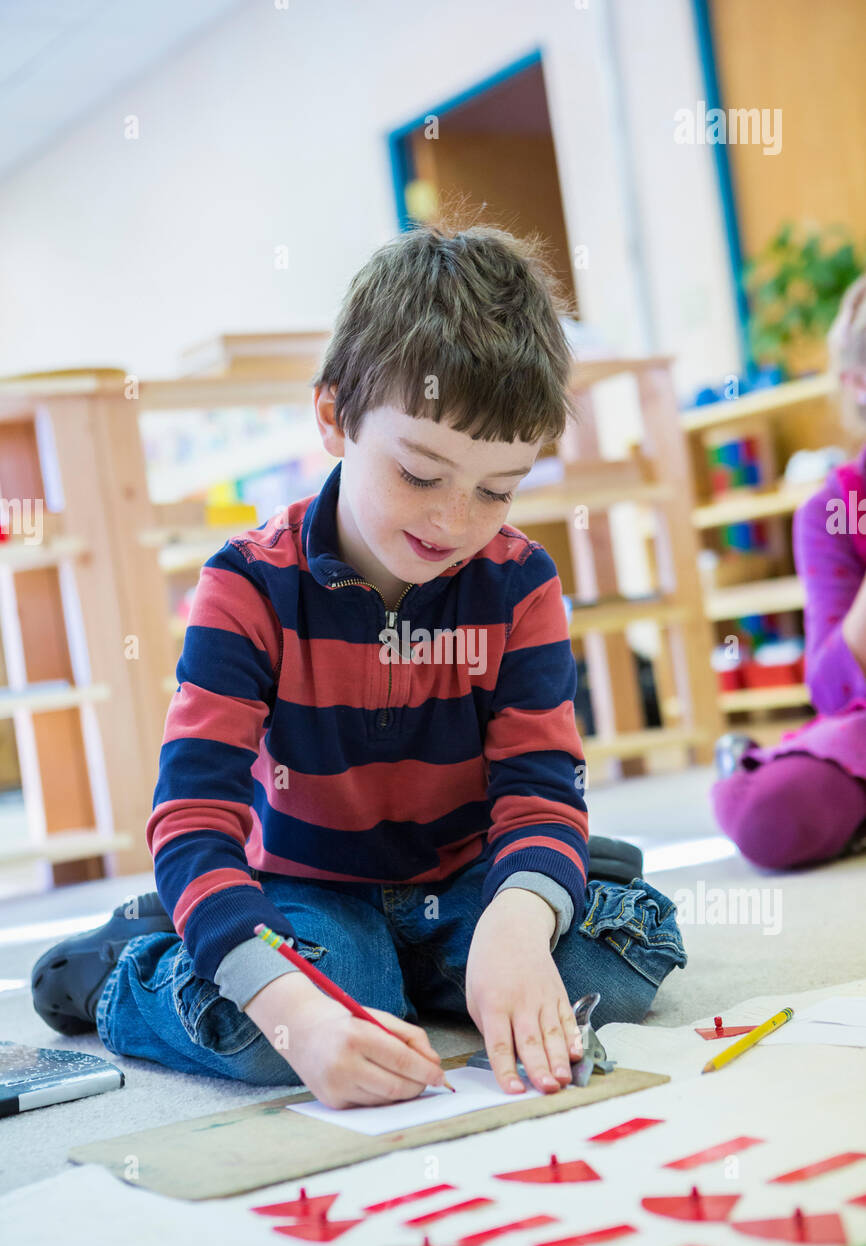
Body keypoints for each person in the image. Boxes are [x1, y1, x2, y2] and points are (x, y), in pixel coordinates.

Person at [32, 221, 686, 1106]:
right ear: (334, 416)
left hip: (458, 884)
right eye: (421, 473)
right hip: (309, 886)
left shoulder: (521, 585)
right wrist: (295, 1010)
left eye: (497, 490)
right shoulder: (246, 588)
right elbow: (190, 823)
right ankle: (133, 966)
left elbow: (540, 788)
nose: (455, 521)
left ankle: (429, 960)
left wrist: (517, 921)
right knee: (287, 1029)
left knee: (624, 953)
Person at [711, 275, 866, 869]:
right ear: (856, 385)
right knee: (769, 812)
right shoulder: (832, 512)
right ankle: (751, 765)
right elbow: (831, 689)